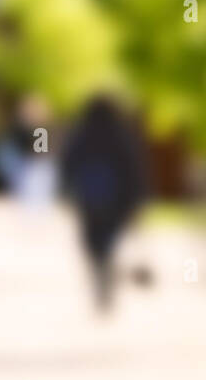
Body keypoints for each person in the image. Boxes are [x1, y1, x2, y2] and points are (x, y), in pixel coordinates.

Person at [60, 95, 148, 312]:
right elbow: (134, 168)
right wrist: (136, 199)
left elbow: (68, 162)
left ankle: (101, 272)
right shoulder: (121, 135)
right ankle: (106, 268)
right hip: (116, 200)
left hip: (88, 199)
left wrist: (67, 190)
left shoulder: (81, 133)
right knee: (108, 239)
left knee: (92, 242)